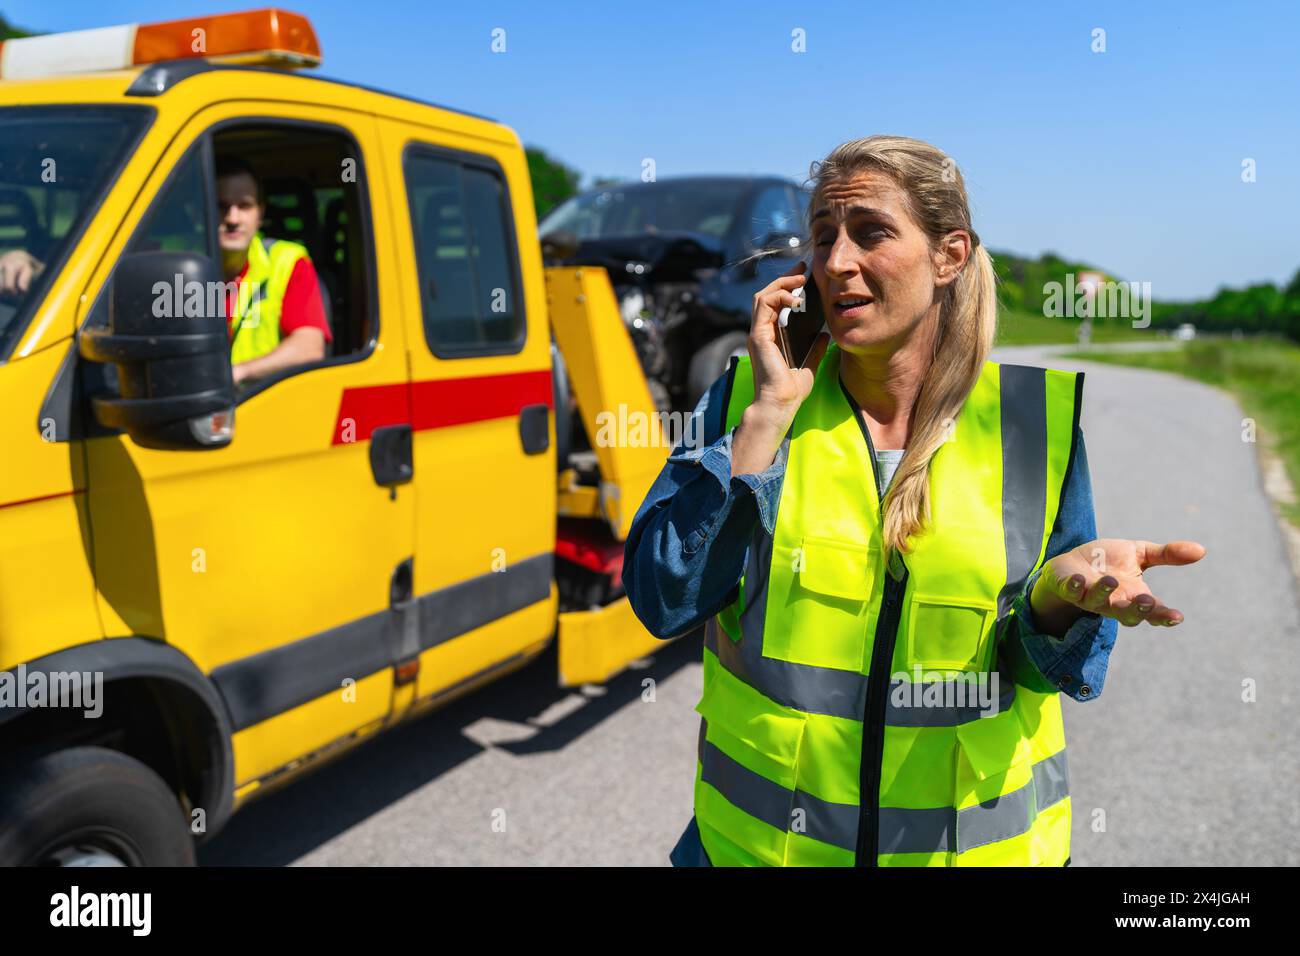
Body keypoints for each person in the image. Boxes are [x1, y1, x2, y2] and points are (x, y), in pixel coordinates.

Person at [622, 135, 1206, 868]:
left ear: (949, 255)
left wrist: (1060, 599)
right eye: (824, 236)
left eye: (871, 232)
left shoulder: (1033, 425)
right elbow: (663, 600)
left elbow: (1033, 669)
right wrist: (767, 417)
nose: (836, 263)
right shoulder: (748, 400)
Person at [215, 156, 331, 385]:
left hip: (263, 404)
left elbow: (310, 346)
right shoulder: (182, 269)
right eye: (222, 206)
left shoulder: (287, 262)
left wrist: (239, 372)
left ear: (260, 214)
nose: (232, 218)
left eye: (245, 206)